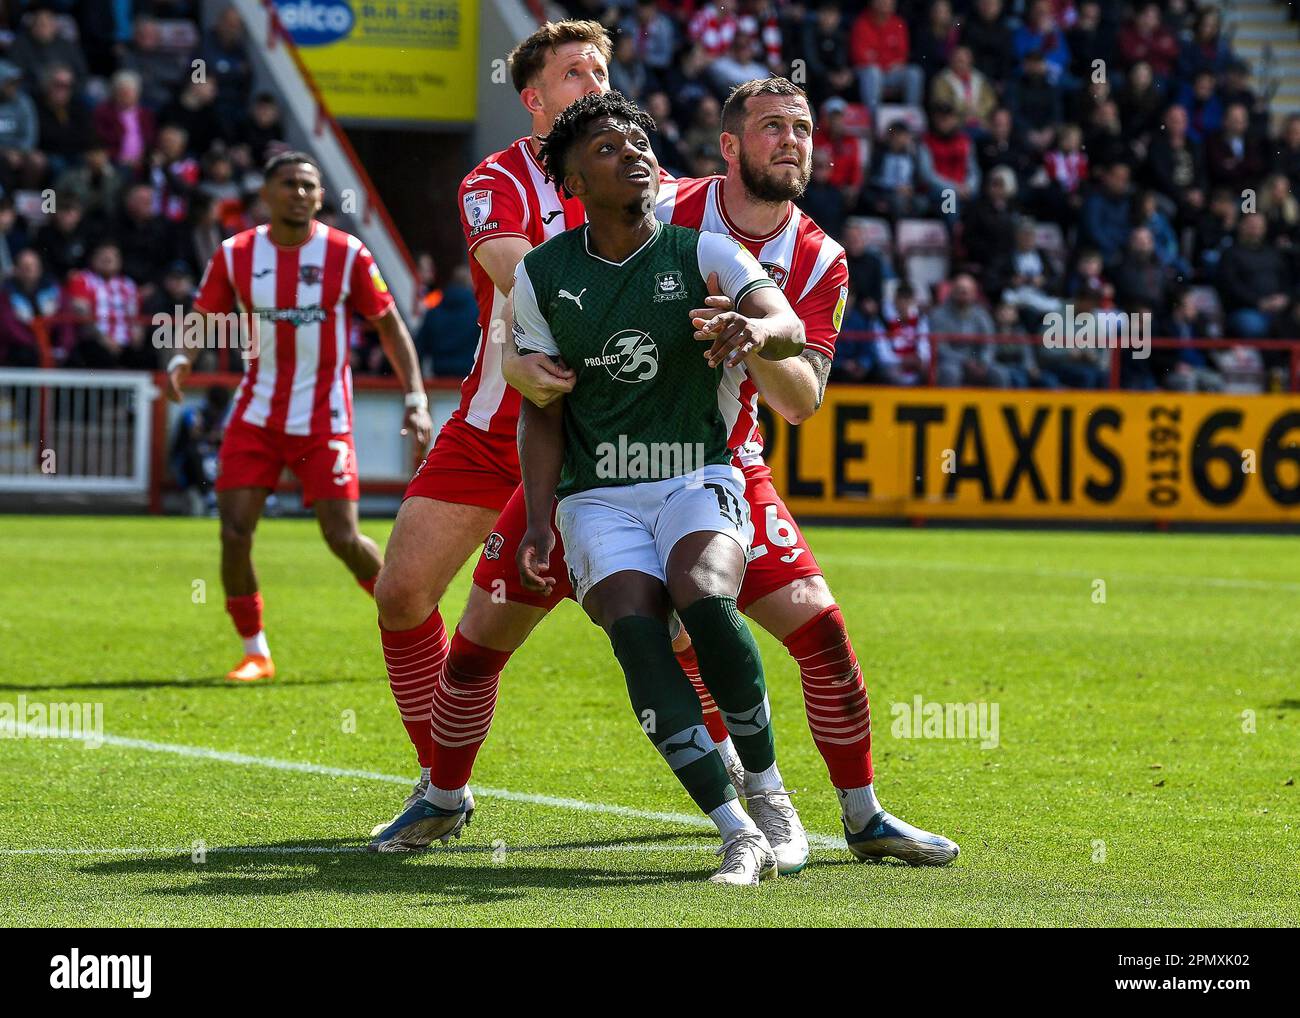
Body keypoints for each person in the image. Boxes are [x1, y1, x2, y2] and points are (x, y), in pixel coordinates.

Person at [394, 73, 958, 869]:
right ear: (729, 146)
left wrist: (754, 337)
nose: (790, 142)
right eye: (771, 127)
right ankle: (442, 798)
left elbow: (802, 401)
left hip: (715, 460)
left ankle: (857, 815)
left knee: (816, 626)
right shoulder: (662, 203)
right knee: (483, 636)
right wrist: (522, 367)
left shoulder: (818, 256)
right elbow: (554, 281)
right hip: (589, 470)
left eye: (801, 128)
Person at [377, 91, 810, 885]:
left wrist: (756, 329)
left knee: (705, 598)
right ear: (573, 180)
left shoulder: (703, 252)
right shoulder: (545, 276)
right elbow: (539, 412)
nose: (634, 154)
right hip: (594, 495)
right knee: (638, 635)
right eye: (609, 148)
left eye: (639, 141)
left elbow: (785, 320)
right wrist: (538, 523)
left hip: (695, 472)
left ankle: (773, 793)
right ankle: (734, 829)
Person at [164, 151, 432, 682]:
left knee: (342, 538)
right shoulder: (237, 254)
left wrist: (416, 397)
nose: (302, 193)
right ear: (266, 194)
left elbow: (391, 327)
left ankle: (418, 631)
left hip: (324, 418)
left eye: (310, 185)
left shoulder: (347, 254)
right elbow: (201, 315)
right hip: (256, 415)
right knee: (235, 532)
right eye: (289, 184)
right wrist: (179, 360)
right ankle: (255, 650)